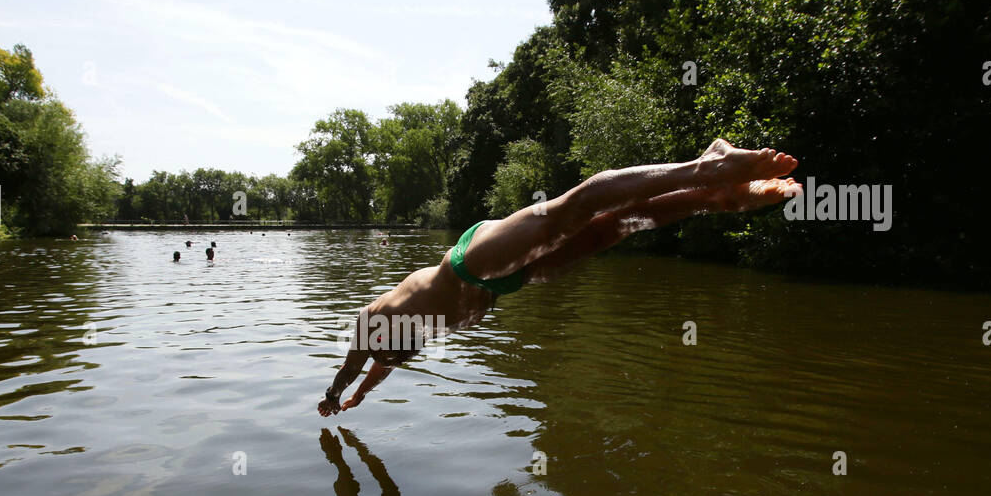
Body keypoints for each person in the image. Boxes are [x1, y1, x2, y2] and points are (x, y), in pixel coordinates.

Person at [318, 139, 798, 416]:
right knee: (610, 231)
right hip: (504, 284)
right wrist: (355, 398)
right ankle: (711, 198)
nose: (400, 353)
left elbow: (351, 366)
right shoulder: (388, 352)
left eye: (390, 351)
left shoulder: (367, 327)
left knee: (574, 209)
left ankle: (707, 166)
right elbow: (375, 372)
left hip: (471, 262)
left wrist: (335, 392)